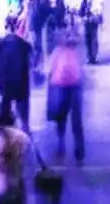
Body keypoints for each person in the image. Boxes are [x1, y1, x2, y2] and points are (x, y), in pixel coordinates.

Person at [47, 30, 85, 162]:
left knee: (65, 119)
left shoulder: (63, 50)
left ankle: (66, 147)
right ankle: (74, 149)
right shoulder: (65, 51)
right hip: (70, 86)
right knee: (71, 119)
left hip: (64, 86)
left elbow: (49, 71)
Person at [0, 15, 33, 128]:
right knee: (24, 117)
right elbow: (32, 60)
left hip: (5, 84)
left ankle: (5, 134)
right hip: (21, 84)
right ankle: (25, 134)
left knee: (4, 114)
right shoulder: (23, 44)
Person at [0, 112, 31, 204]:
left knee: (15, 181)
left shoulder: (21, 140)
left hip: (17, 157)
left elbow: (19, 164)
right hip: (10, 159)